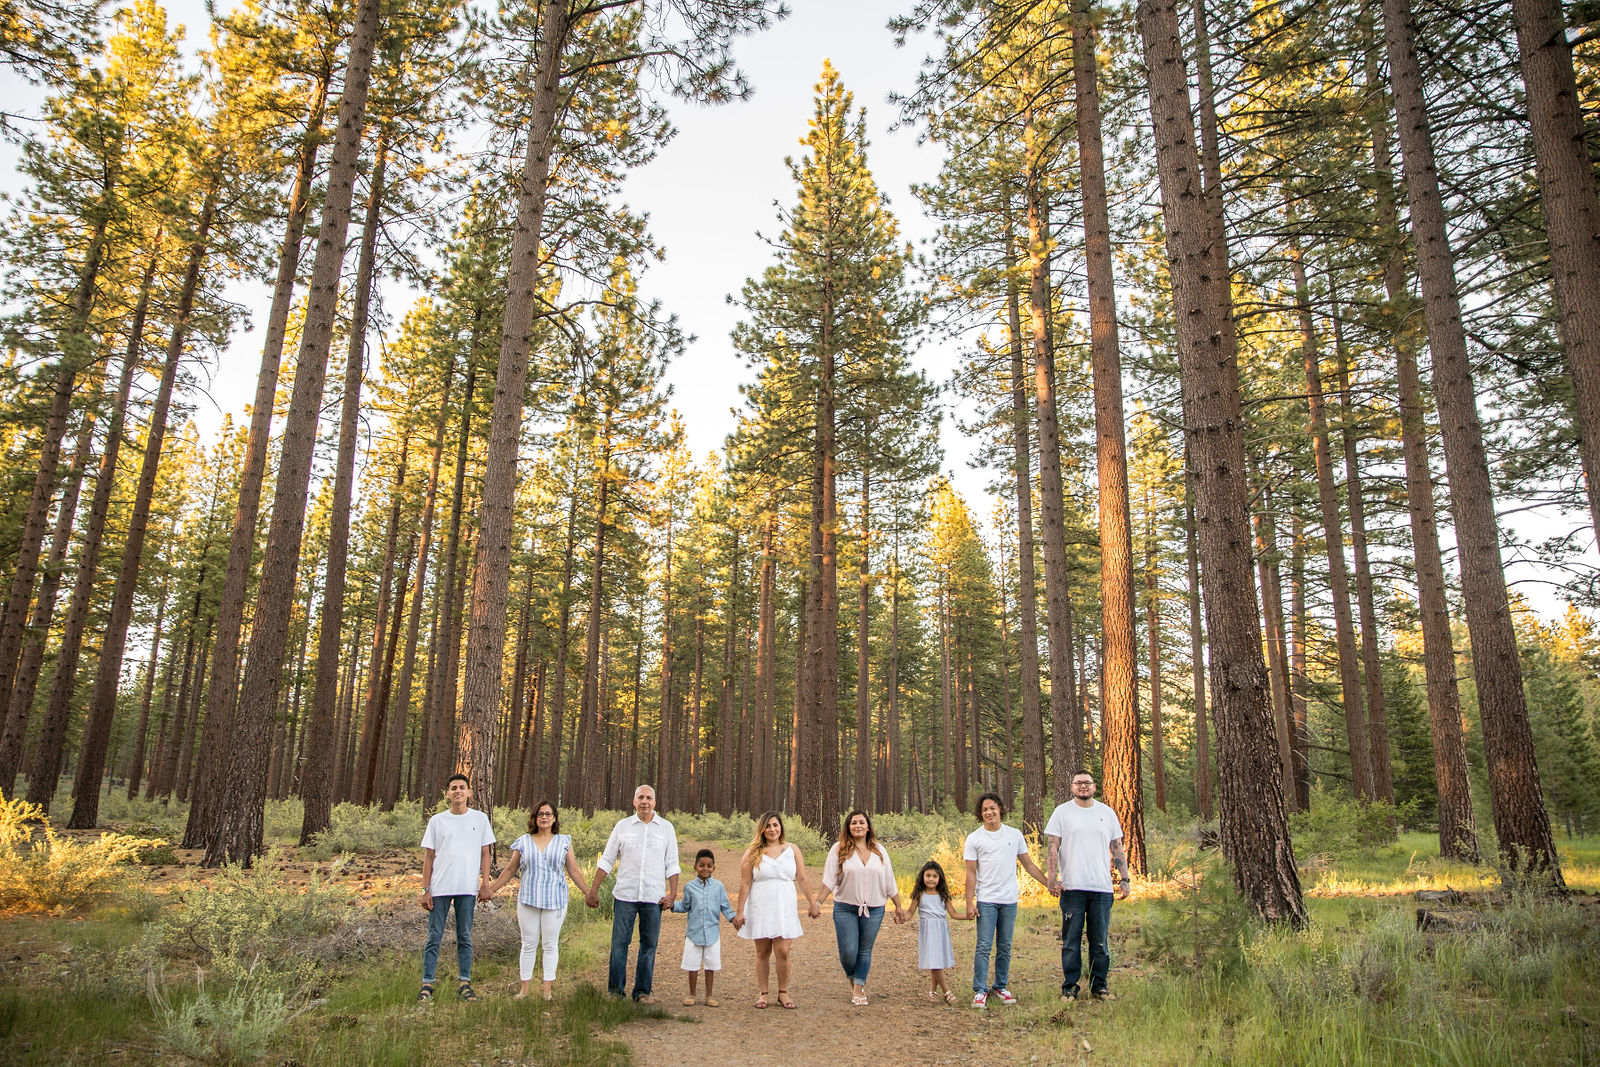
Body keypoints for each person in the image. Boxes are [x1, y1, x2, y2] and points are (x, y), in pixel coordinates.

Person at [481, 800, 593, 1001]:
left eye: (548, 814)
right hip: (528, 899)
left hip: (555, 900)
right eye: (540, 814)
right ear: (534, 818)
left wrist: (588, 892)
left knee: (550, 944)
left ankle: (547, 991)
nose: (544, 817)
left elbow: (573, 870)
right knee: (528, 943)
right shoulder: (523, 841)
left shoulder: (564, 842)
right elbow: (510, 870)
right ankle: (524, 990)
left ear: (554, 818)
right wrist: (491, 890)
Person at [587, 784, 680, 1003]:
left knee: (648, 945)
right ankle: (615, 993)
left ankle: (642, 992)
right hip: (625, 896)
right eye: (640, 797)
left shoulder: (666, 829)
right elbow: (607, 859)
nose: (645, 801)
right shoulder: (622, 826)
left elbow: (672, 864)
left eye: (649, 798)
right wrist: (593, 890)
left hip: (653, 898)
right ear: (634, 801)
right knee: (619, 944)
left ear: (655, 802)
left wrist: (672, 894)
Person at [1045, 769, 1130, 1001]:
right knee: (1071, 941)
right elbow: (1053, 846)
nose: (1083, 786)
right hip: (1072, 887)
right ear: (1072, 787)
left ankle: (1099, 987)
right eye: (1078, 783)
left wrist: (1125, 878)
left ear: (1094, 787)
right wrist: (1051, 878)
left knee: (1100, 941)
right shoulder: (1062, 812)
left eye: (1087, 783)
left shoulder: (1107, 813)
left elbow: (1117, 847)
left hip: (1101, 888)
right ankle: (1070, 988)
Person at [963, 792, 1050, 1010]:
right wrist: (969, 903)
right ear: (980, 814)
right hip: (986, 900)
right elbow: (971, 873)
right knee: (983, 946)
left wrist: (1048, 883)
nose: (989, 812)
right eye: (984, 810)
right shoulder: (975, 838)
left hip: (1009, 900)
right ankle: (980, 990)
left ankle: (1000, 986)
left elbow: (1028, 865)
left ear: (1000, 809)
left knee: (1005, 946)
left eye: (992, 808)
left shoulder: (1014, 835)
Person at [418, 773, 495, 1003]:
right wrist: (425, 889)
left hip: (467, 888)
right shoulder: (437, 821)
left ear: (469, 793)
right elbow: (429, 857)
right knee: (434, 936)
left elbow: (485, 853)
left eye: (462, 787)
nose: (458, 791)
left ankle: (464, 982)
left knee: (465, 936)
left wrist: (485, 883)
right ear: (448, 794)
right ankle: (427, 983)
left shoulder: (480, 819)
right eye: (454, 788)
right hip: (440, 888)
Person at [735, 810, 821, 1009]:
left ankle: (783, 992)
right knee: (762, 951)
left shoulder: (792, 849)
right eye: (768, 826)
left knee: (782, 951)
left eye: (775, 825)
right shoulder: (752, 852)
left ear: (781, 827)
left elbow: (802, 877)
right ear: (762, 829)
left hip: (784, 904)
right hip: (760, 904)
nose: (772, 829)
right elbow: (745, 883)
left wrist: (812, 902)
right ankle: (763, 993)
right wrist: (740, 912)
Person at [820, 809, 906, 1006]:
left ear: (868, 827)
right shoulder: (838, 849)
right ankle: (853, 976)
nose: (858, 826)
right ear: (848, 828)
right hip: (845, 908)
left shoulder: (879, 850)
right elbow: (829, 879)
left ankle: (859, 987)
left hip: (874, 908)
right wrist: (818, 902)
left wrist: (898, 905)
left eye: (861, 822)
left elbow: (889, 880)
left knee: (865, 950)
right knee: (848, 952)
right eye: (853, 823)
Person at [672, 848, 740, 1006]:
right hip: (693, 934)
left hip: (712, 934)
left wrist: (734, 919)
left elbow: (725, 907)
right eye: (701, 865)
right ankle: (692, 994)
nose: (705, 869)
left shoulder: (718, 887)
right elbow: (684, 906)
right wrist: (670, 905)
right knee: (692, 966)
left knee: (711, 966)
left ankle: (709, 995)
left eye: (709, 866)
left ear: (714, 868)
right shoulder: (689, 887)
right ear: (695, 866)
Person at [910, 859, 966, 1005]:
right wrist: (901, 917)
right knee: (934, 961)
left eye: (935, 876)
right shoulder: (919, 894)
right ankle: (947, 992)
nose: (931, 879)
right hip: (928, 930)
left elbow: (953, 913)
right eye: (928, 875)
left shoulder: (943, 895)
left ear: (940, 878)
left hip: (941, 929)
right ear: (922, 877)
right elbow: (910, 912)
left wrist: (968, 916)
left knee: (937, 961)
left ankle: (932, 991)